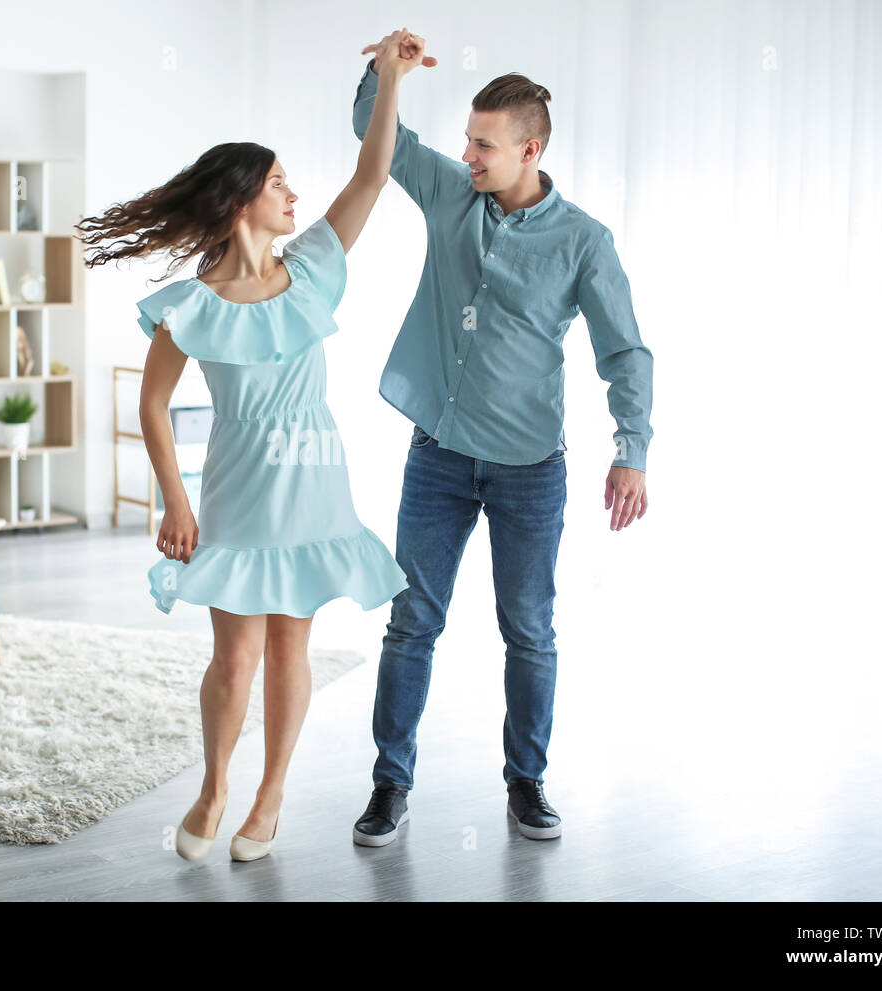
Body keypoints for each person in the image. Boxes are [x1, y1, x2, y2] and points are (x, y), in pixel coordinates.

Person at [74, 29, 433, 863]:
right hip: (236, 485)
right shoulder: (190, 304)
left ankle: (270, 797)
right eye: (277, 183)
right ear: (241, 199)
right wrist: (174, 497)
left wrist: (387, 78)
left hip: (313, 484)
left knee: (287, 645)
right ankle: (214, 786)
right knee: (232, 659)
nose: (293, 194)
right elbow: (154, 403)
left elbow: (373, 175)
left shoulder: (312, 267)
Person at [348, 35, 655, 847]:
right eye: (467, 140)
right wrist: (385, 71)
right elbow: (372, 132)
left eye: (483, 144)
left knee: (528, 629)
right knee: (412, 618)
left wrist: (633, 447)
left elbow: (624, 350)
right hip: (438, 456)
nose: (467, 154)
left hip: (529, 471)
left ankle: (527, 783)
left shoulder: (582, 240)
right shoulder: (453, 192)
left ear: (531, 148)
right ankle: (389, 784)